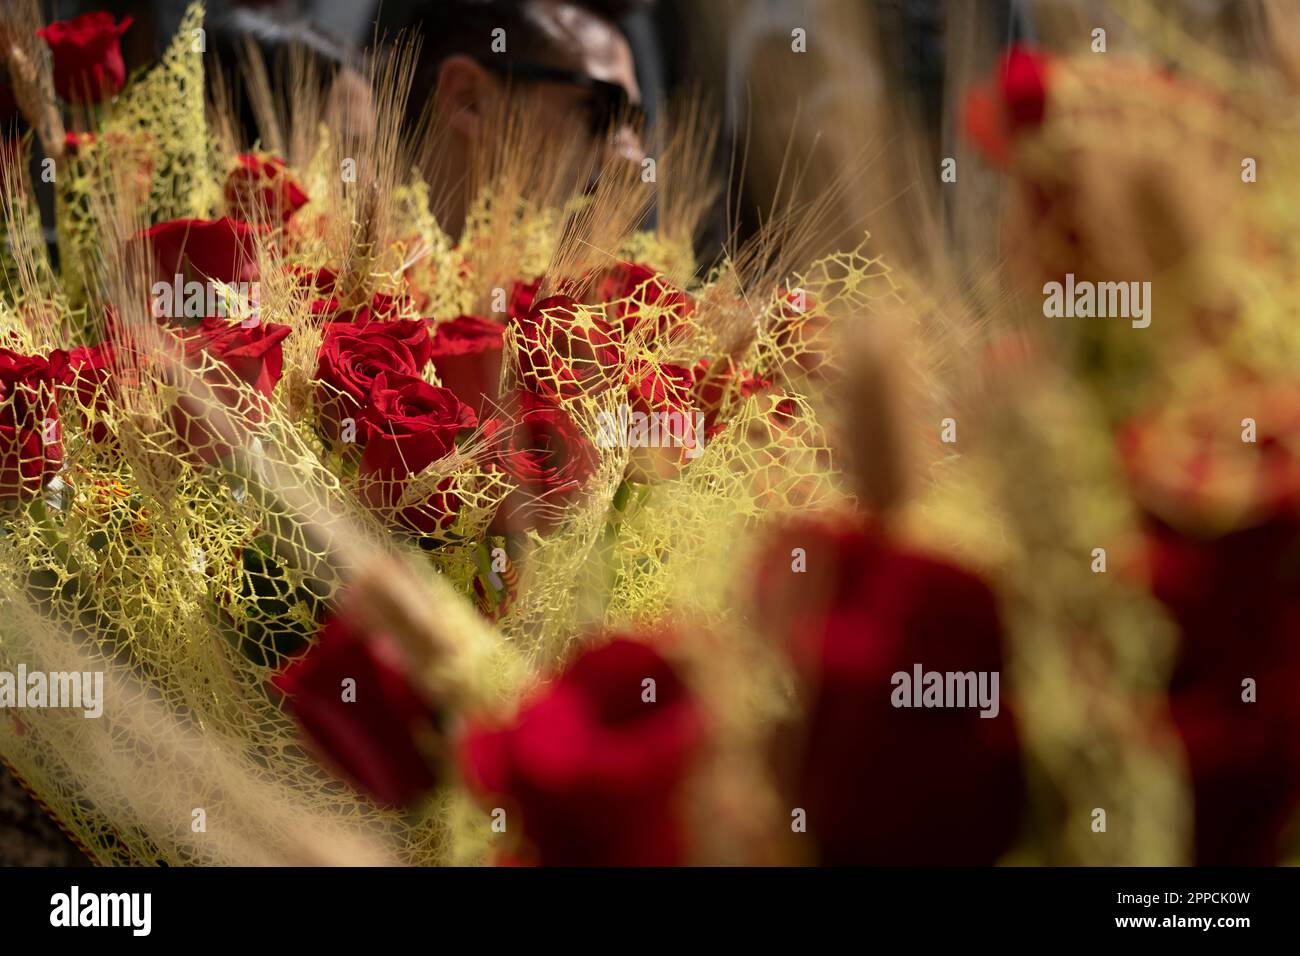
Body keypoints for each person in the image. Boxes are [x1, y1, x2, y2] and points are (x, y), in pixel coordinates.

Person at [395, 0, 650, 238]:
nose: (633, 162)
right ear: (468, 98)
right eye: (602, 108)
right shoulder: (359, 276)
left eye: (636, 121)